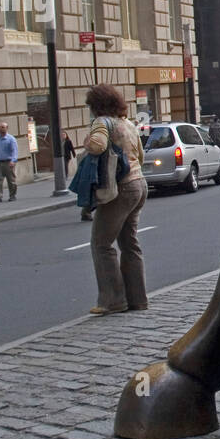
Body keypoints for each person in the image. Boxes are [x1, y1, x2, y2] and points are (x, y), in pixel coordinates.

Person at [84, 84, 147, 315]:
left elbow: (97, 145)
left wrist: (86, 144)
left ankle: (112, 300)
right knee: (130, 243)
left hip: (120, 188)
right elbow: (140, 155)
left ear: (97, 106)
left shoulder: (102, 122)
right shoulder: (128, 123)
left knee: (101, 244)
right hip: (139, 184)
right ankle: (138, 299)